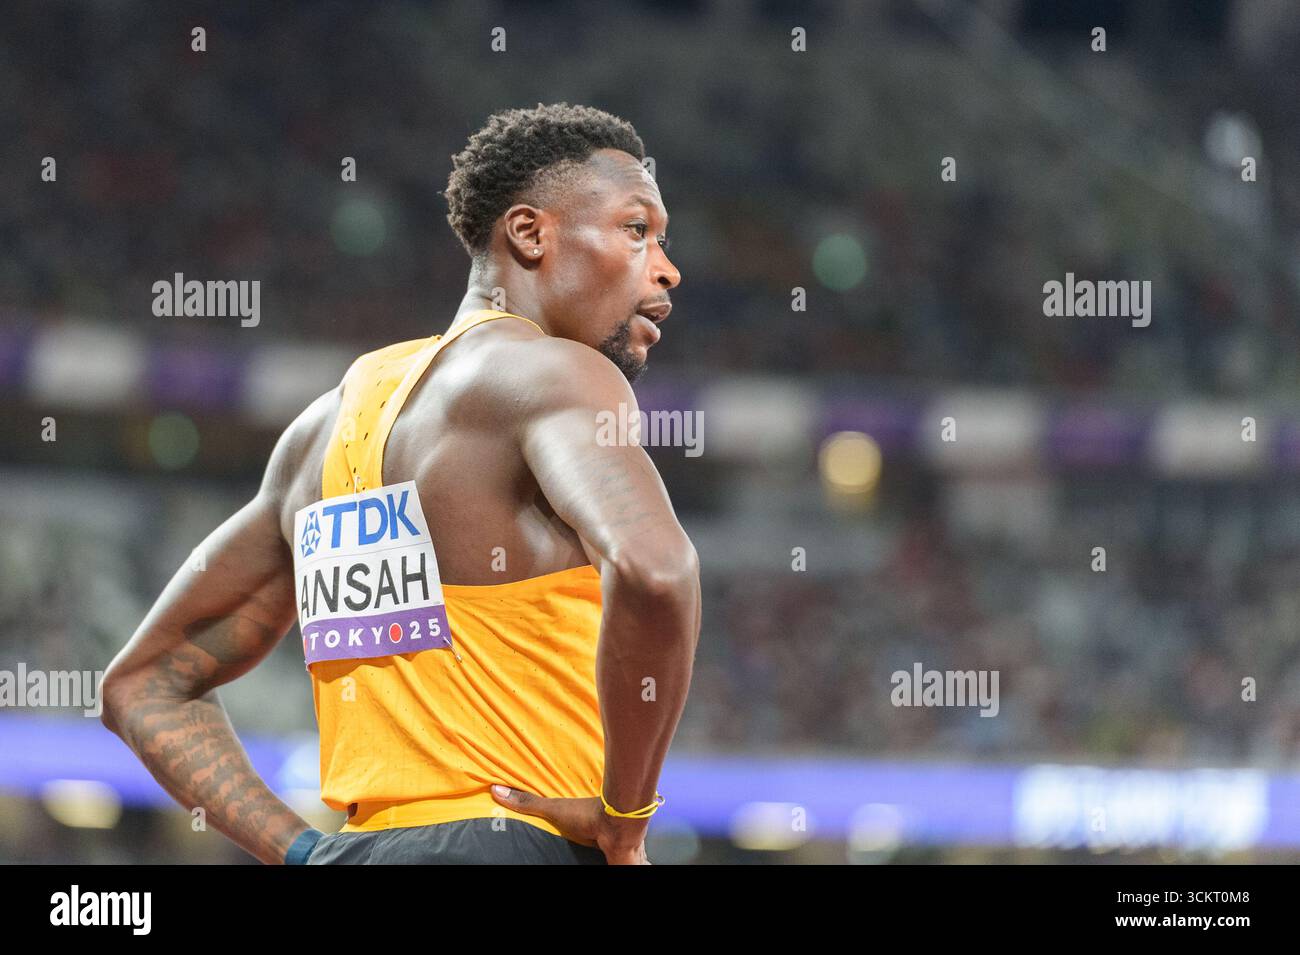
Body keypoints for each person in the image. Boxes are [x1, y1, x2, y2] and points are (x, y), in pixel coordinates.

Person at [101, 103, 701, 865]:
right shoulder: (558, 375)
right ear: (530, 233)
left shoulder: (318, 433)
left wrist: (302, 853)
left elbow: (144, 684)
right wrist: (625, 813)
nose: (666, 266)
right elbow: (657, 570)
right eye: (636, 229)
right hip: (525, 841)